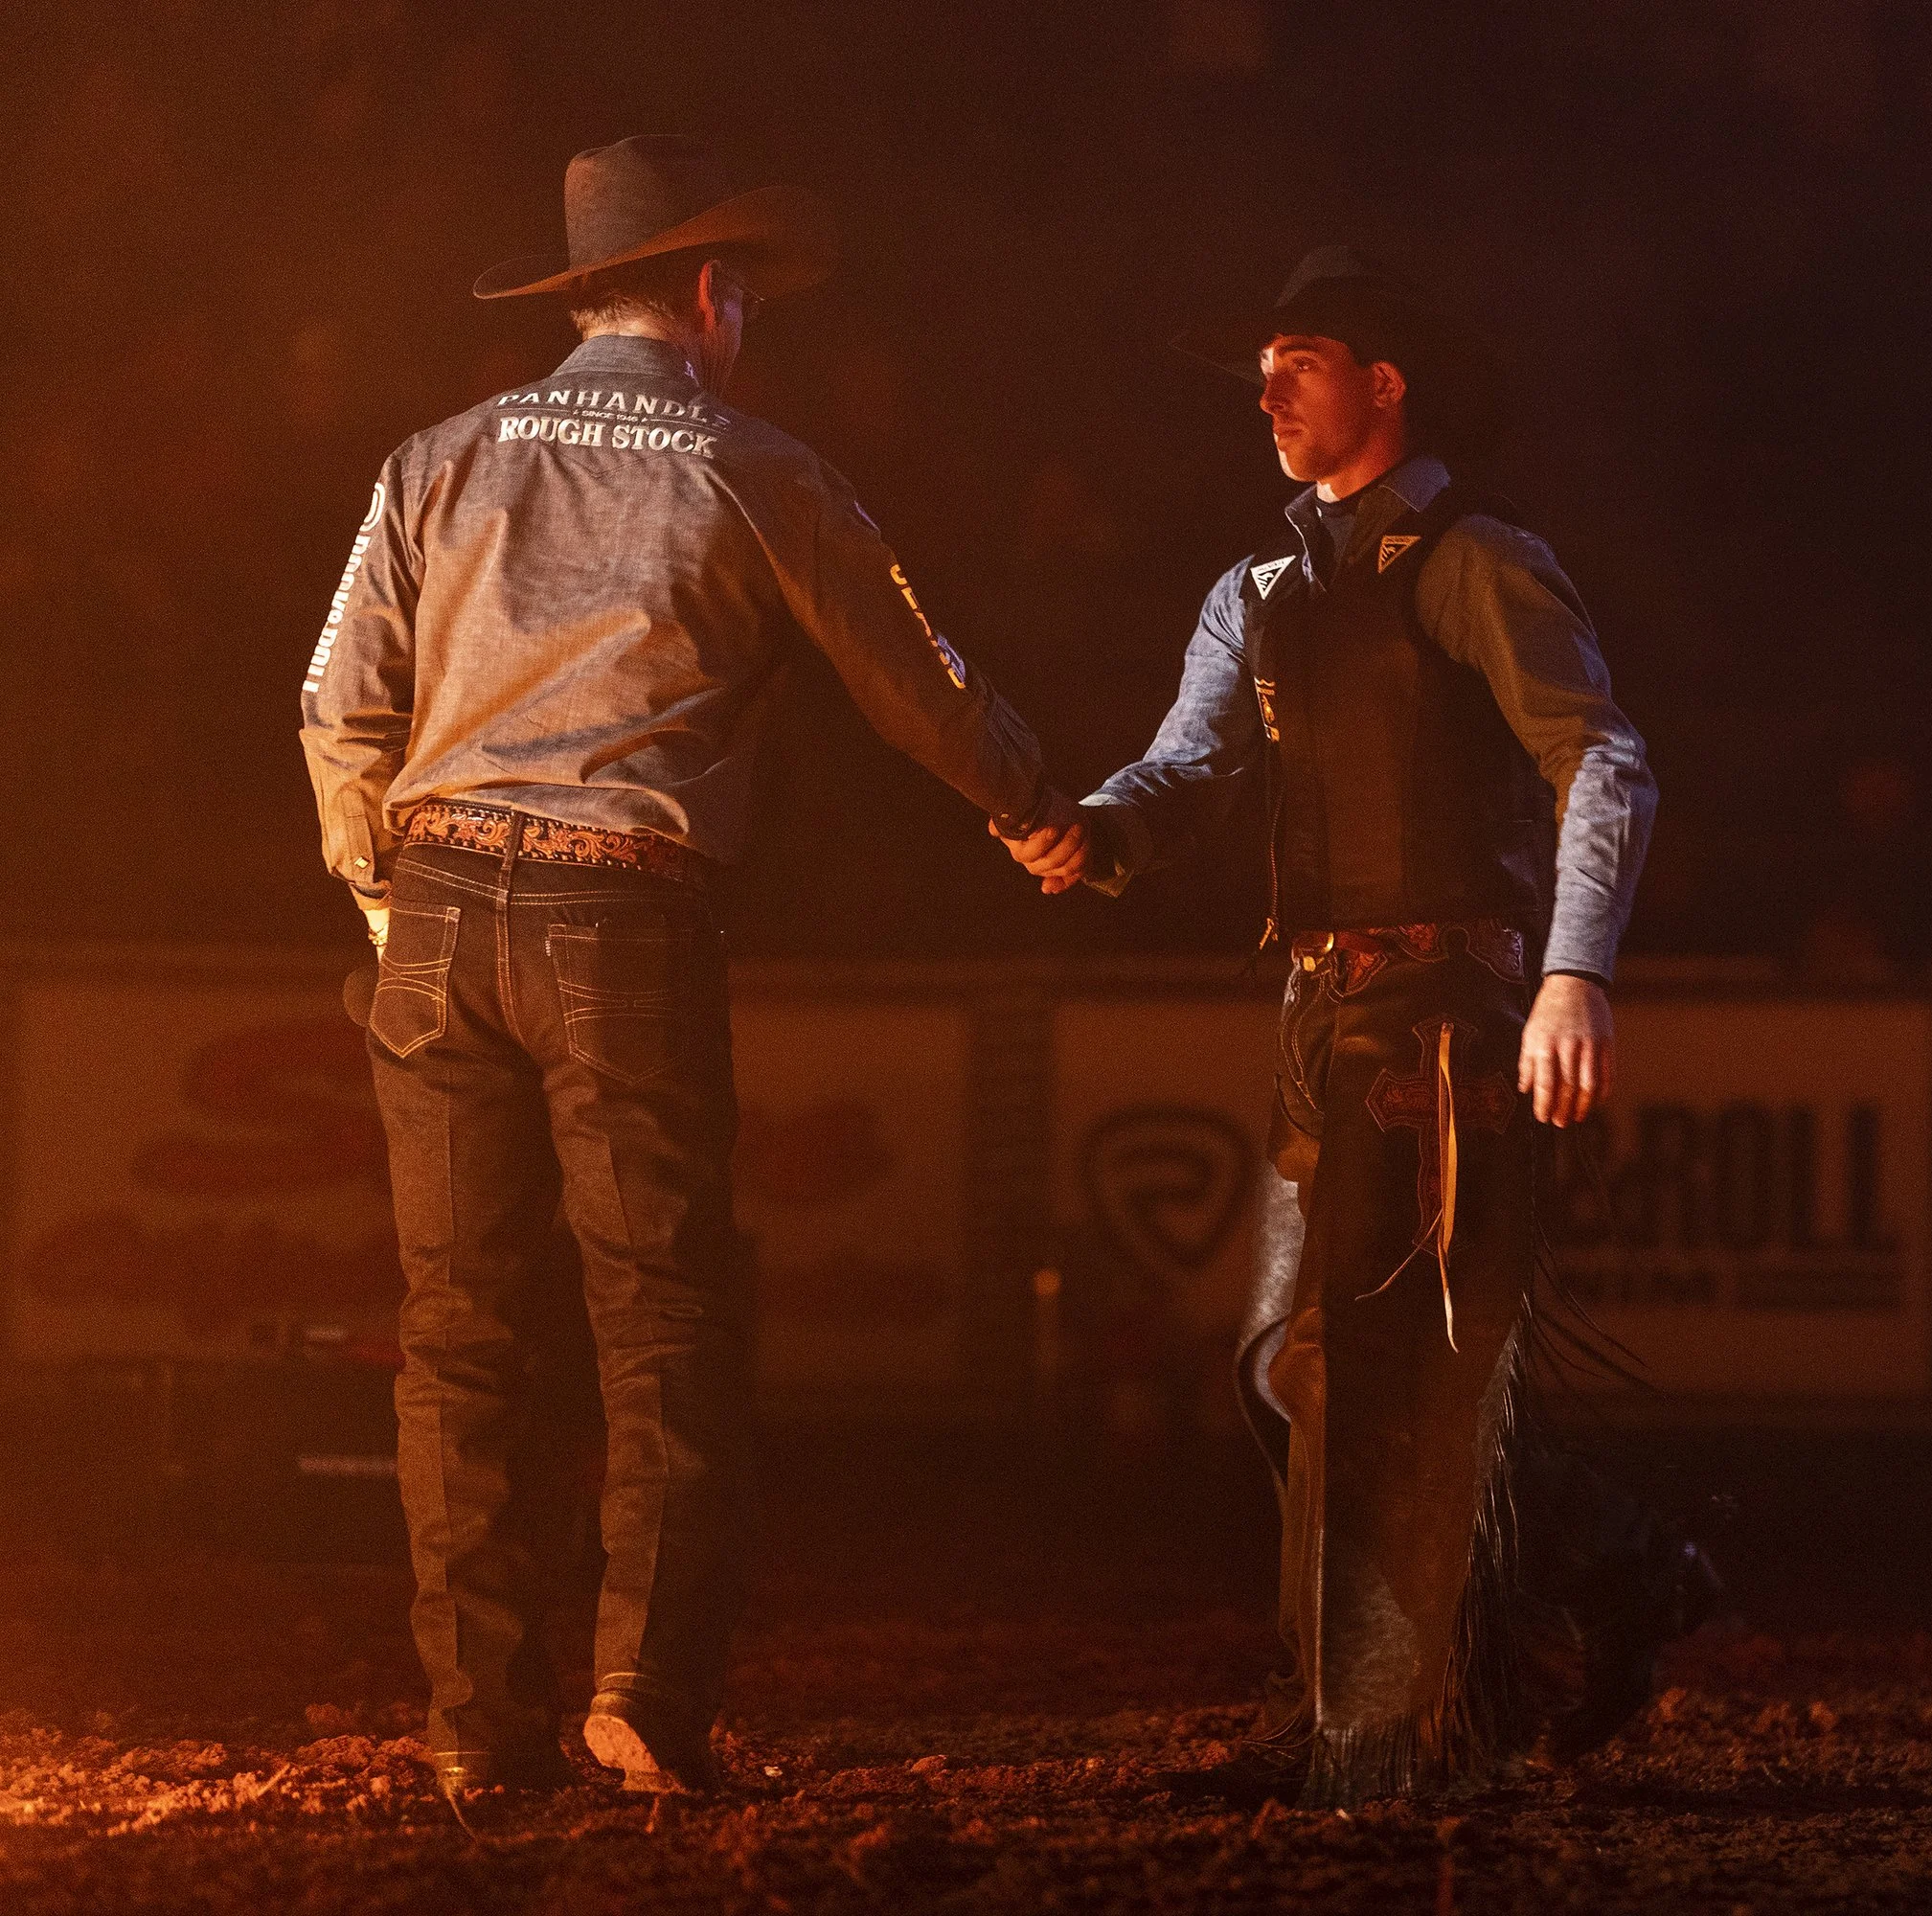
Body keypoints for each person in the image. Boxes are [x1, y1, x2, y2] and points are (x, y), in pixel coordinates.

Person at [300, 136, 1074, 1798]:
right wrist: (1032, 804)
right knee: (662, 1317)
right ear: (713, 295)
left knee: (460, 1333)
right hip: (620, 914)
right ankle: (643, 1695)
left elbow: (334, 706)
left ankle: (475, 1727)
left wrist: (385, 899)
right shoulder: (761, 468)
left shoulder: (435, 458)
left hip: (436, 908)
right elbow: (913, 681)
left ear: (585, 296)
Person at [1001, 247, 1685, 1805]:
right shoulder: (1257, 593)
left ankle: (1369, 1734)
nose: (1265, 394)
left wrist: (1573, 973)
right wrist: (1096, 831)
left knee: (1379, 1368)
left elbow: (1600, 759)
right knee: (1285, 1369)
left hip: (1442, 1013)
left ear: (1385, 385)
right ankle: (1612, 1574)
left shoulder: (1478, 559)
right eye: (1261, 370)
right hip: (1324, 1010)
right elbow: (1187, 769)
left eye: (1296, 362)